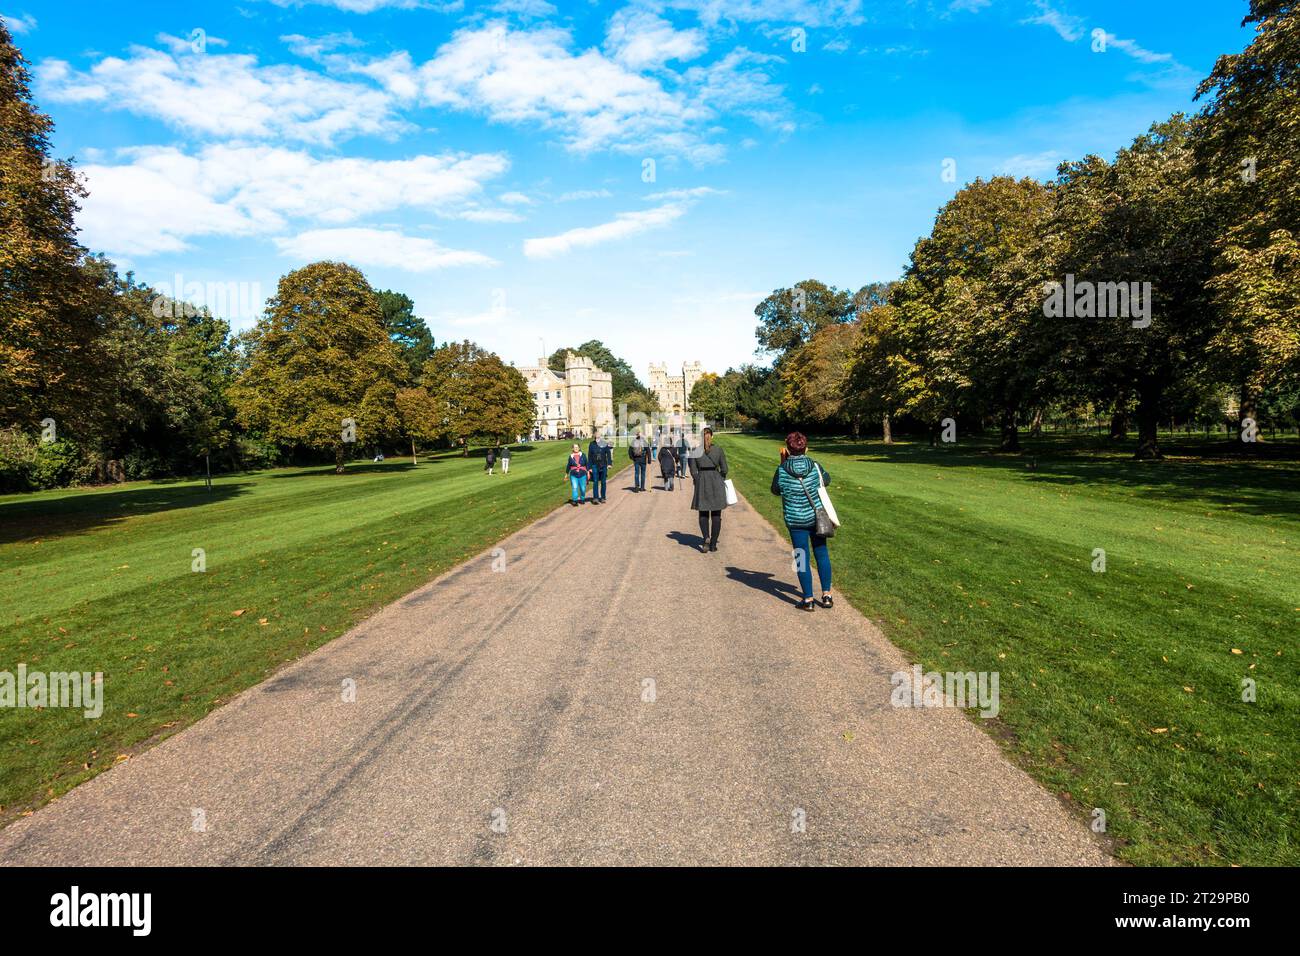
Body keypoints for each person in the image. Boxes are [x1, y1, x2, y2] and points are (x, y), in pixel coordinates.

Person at [771, 431, 833, 612]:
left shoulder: (782, 470)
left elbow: (775, 490)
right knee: (821, 554)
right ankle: (827, 595)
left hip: (795, 521)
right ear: (806, 447)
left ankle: (808, 599)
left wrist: (783, 463)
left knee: (801, 558)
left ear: (788, 449)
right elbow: (826, 480)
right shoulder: (814, 465)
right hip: (816, 518)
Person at [688, 427, 729, 552]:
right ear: (712, 436)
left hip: (702, 481)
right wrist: (720, 478)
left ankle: (706, 537)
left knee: (703, 513)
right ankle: (713, 544)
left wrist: (698, 479)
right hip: (716, 480)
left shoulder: (696, 451)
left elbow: (693, 470)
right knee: (716, 514)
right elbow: (725, 469)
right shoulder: (718, 449)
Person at [588, 433, 610, 503]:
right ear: (594, 437)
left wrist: (609, 464)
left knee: (603, 482)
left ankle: (603, 497)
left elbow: (608, 454)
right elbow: (589, 456)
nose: (597, 437)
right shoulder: (591, 444)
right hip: (594, 465)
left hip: (603, 465)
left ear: (600, 437)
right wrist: (589, 467)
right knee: (595, 482)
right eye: (596, 436)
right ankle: (595, 498)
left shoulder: (604, 443)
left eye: (598, 436)